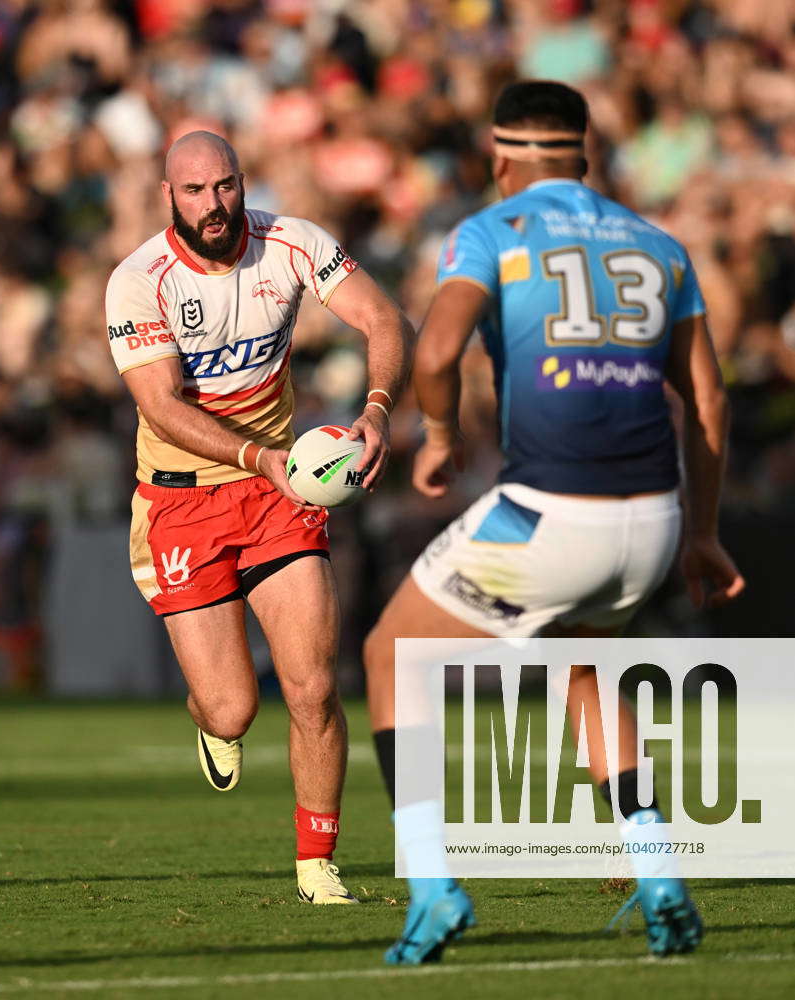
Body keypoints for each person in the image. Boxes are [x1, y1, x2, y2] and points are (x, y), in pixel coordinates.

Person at [363, 81, 745, 962]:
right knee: (585, 669)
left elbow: (434, 348)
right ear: (585, 153)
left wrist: (437, 436)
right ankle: (658, 877)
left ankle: (432, 888)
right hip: (650, 522)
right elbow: (711, 401)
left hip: (548, 517)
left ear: (499, 161)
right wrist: (701, 531)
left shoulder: (491, 231)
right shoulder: (659, 245)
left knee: (390, 654)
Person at [105, 131, 413, 904]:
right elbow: (162, 406)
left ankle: (316, 864)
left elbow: (382, 320)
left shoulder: (293, 242)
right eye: (195, 191)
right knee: (234, 705)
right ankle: (211, 718)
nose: (215, 205)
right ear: (168, 196)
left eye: (227, 186)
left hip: (280, 494)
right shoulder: (138, 281)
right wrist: (258, 458)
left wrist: (375, 412)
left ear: (243, 182)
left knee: (312, 687)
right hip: (182, 500)